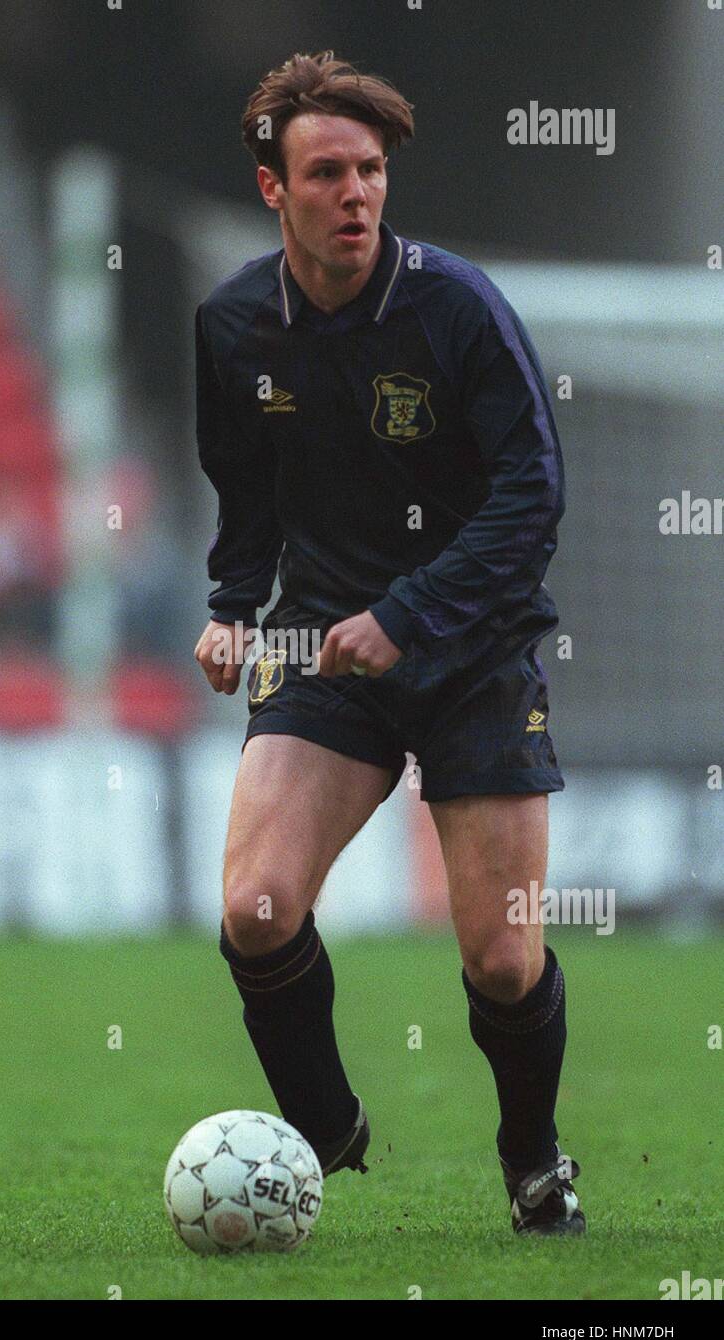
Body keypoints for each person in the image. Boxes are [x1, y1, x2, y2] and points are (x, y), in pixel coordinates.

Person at [194, 51, 583, 1236]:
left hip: (470, 654)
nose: (355, 193)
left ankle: (530, 1154)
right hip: (321, 650)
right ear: (275, 190)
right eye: (326, 173)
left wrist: (408, 615)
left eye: (368, 170)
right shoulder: (231, 326)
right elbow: (246, 498)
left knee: (504, 964)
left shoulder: (453, 305)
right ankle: (319, 1134)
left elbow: (534, 492)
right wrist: (229, 605)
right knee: (256, 910)